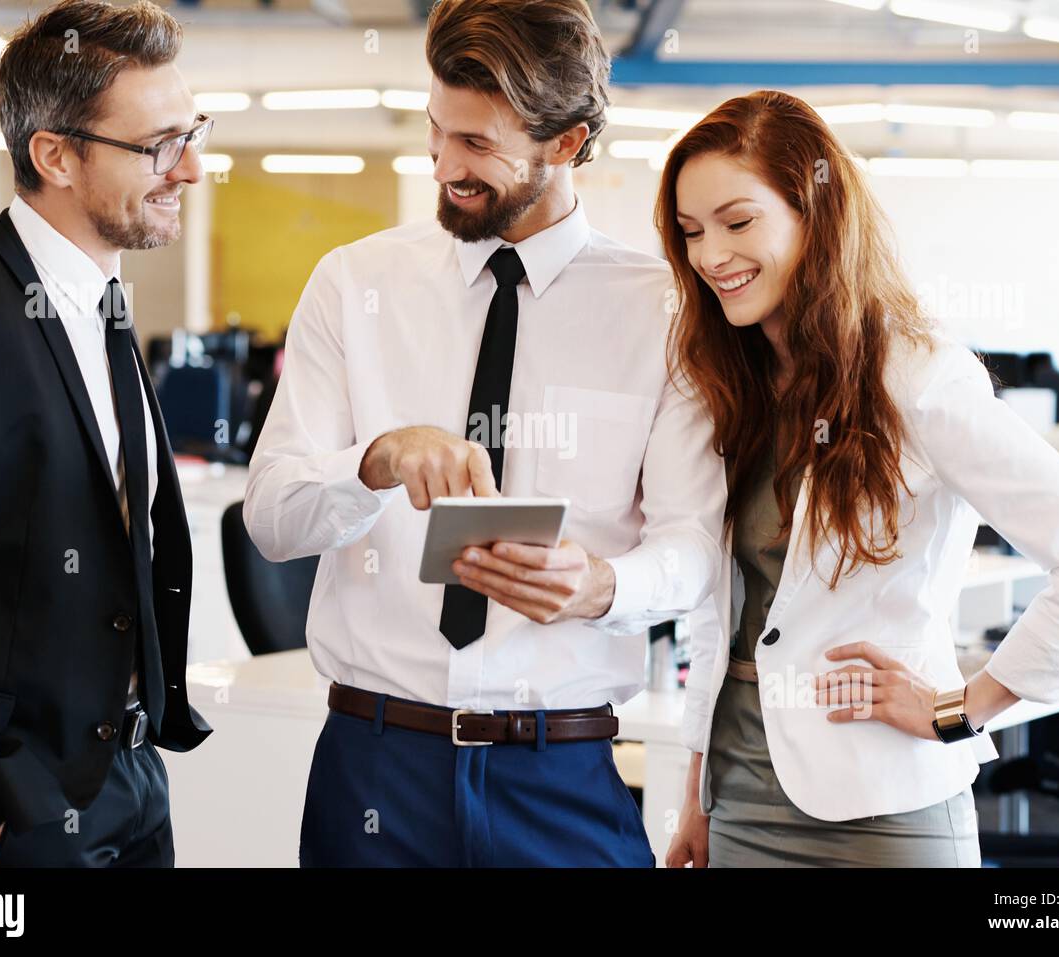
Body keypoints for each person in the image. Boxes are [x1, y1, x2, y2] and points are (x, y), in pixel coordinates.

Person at [244, 0, 726, 867]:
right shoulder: (353, 284)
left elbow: (694, 547)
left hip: (564, 776)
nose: (444, 167)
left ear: (568, 142)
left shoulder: (661, 310)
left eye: (478, 147)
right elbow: (273, 520)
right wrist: (373, 461)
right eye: (438, 132)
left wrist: (602, 585)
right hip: (376, 771)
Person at [658, 91, 1059, 867]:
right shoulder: (729, 383)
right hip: (737, 799)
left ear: (814, 213)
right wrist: (693, 794)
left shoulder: (917, 378)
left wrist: (962, 706)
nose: (710, 255)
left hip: (884, 811)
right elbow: (723, 616)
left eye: (738, 221)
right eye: (690, 232)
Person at [0, 0, 212, 867]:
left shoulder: (103, 307)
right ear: (55, 155)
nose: (194, 169)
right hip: (11, 807)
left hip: (133, 783)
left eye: (193, 132)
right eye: (160, 145)